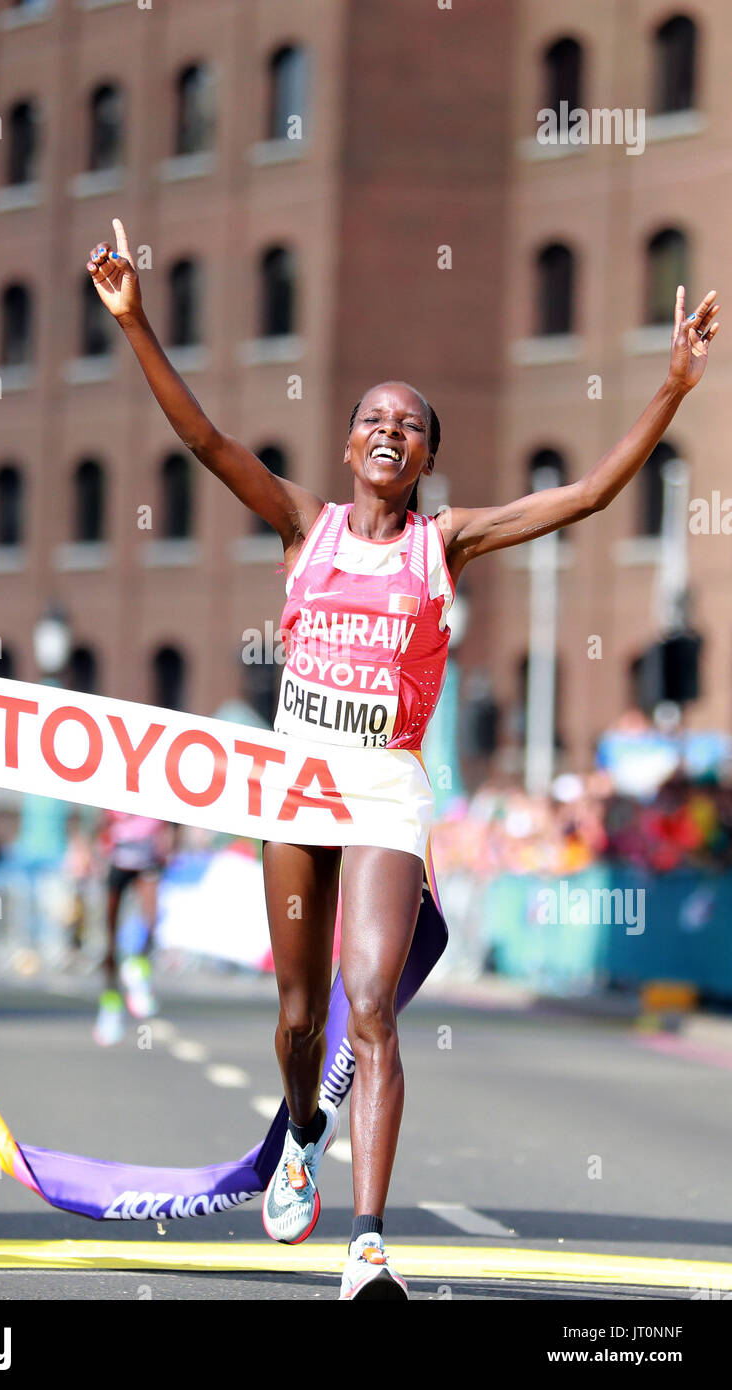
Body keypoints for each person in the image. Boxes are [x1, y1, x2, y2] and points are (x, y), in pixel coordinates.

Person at [87, 218, 718, 1299]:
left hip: (382, 788)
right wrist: (137, 320)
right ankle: (298, 1131)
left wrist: (669, 389)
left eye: (409, 425)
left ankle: (368, 1241)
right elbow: (203, 443)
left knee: (367, 1004)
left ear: (426, 456)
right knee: (297, 1021)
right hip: (294, 784)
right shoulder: (300, 523)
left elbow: (586, 498)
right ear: (346, 448)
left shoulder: (448, 542)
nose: (389, 430)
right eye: (371, 419)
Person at [93, 810, 176, 1046]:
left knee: (152, 921)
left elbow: (172, 823)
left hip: (147, 863)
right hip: (117, 863)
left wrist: (169, 844)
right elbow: (97, 822)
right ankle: (110, 1005)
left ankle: (138, 968)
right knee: (110, 942)